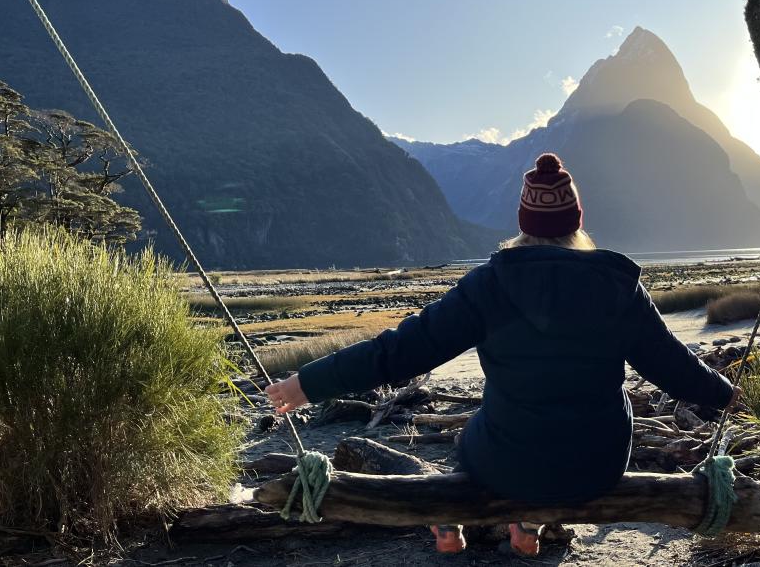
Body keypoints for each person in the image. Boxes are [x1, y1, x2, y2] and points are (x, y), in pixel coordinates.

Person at [267, 153, 735, 556]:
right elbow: (674, 367)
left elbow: (399, 352)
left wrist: (306, 384)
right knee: (562, 428)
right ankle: (527, 526)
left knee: (476, 435)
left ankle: (450, 519)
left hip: (509, 463)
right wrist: (728, 395)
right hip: (597, 465)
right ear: (576, 220)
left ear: (524, 222)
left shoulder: (488, 287)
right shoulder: (619, 289)